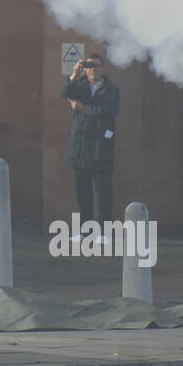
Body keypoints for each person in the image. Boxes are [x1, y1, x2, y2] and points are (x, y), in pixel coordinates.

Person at [60, 52, 121, 238]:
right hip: (80, 147)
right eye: (89, 66)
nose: (93, 70)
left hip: (100, 145)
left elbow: (107, 111)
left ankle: (104, 232)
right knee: (82, 191)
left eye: (96, 66)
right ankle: (86, 231)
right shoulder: (80, 86)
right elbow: (63, 93)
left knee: (103, 192)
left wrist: (82, 108)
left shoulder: (111, 89)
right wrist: (73, 74)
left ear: (102, 68)